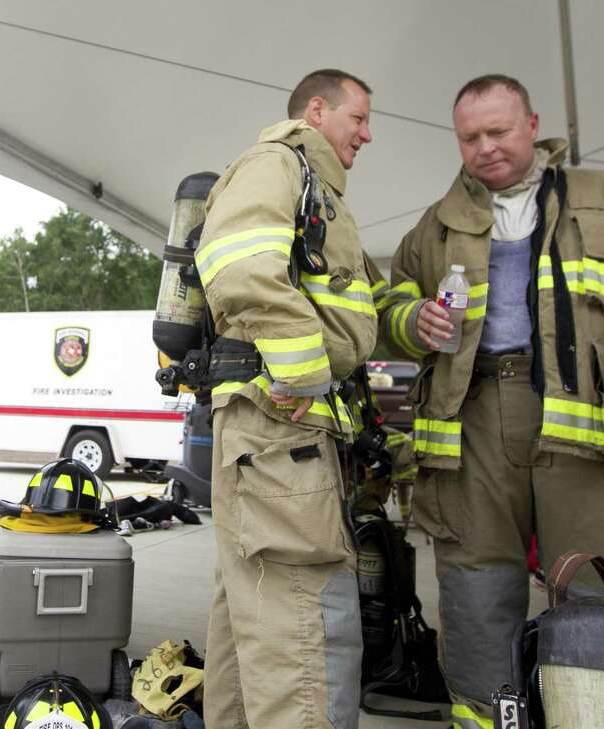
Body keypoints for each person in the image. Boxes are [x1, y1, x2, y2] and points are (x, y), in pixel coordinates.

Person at [379, 74, 604, 728]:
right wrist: (412, 321)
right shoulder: (438, 223)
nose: (485, 148)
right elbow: (388, 302)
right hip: (476, 419)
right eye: (469, 137)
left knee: (601, 586)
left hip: (588, 426)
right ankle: (487, 718)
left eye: (499, 131)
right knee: (477, 585)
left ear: (533, 123)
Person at [198, 68, 378, 729]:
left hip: (274, 431)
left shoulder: (319, 192)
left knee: (258, 614)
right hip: (282, 426)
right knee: (304, 620)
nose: (368, 132)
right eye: (358, 117)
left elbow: (359, 309)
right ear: (317, 110)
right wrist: (302, 371)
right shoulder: (280, 162)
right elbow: (238, 261)